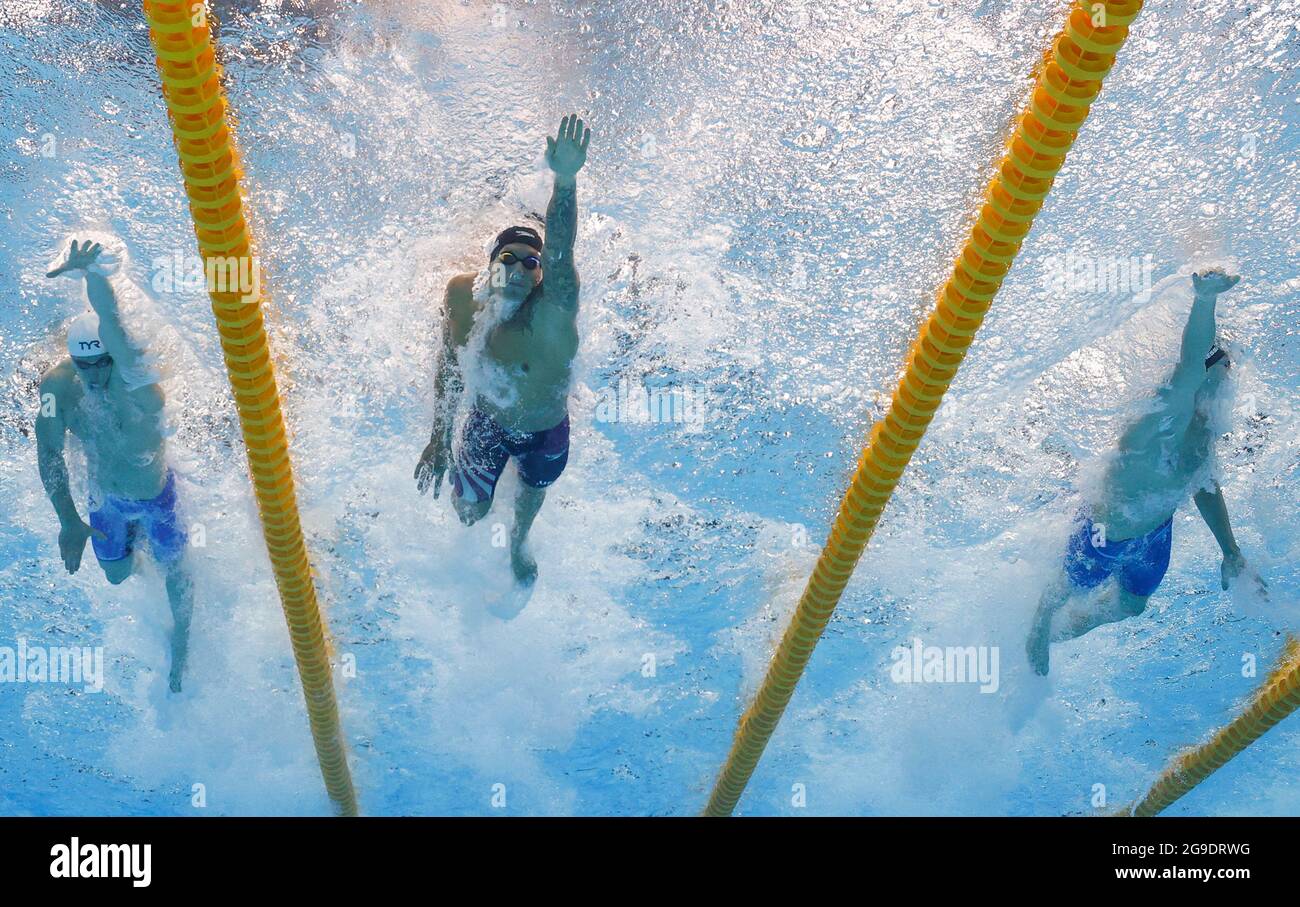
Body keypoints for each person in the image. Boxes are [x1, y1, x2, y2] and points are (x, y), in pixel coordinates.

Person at [1026, 268, 1268, 675]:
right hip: (1106, 534)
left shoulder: (1203, 428)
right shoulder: (1163, 416)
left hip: (1155, 531)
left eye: (1229, 372)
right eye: (1223, 371)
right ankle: (1039, 626)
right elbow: (1190, 363)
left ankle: (1059, 633)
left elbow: (1203, 484)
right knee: (1063, 591)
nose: (1228, 382)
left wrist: (1231, 552)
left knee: (1132, 607)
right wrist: (1205, 298)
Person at [414, 115, 590, 591]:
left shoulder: (552, 311)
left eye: (529, 262)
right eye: (506, 259)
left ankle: (519, 540)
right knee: (467, 513)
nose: (516, 268)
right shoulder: (463, 301)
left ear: (540, 275)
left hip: (544, 435)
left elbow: (560, 251)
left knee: (531, 497)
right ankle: (490, 500)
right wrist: (437, 439)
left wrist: (566, 181)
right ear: (489, 268)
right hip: (488, 424)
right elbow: (450, 367)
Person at [36, 239, 194, 692]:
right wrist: (68, 521)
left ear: (114, 356)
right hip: (106, 500)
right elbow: (47, 452)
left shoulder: (135, 378)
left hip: (157, 494)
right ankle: (132, 546)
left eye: (101, 364)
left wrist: (93, 275)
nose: (93, 376)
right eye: (82, 366)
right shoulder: (59, 386)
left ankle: (180, 651)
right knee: (116, 575)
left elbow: (112, 323)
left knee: (177, 575)